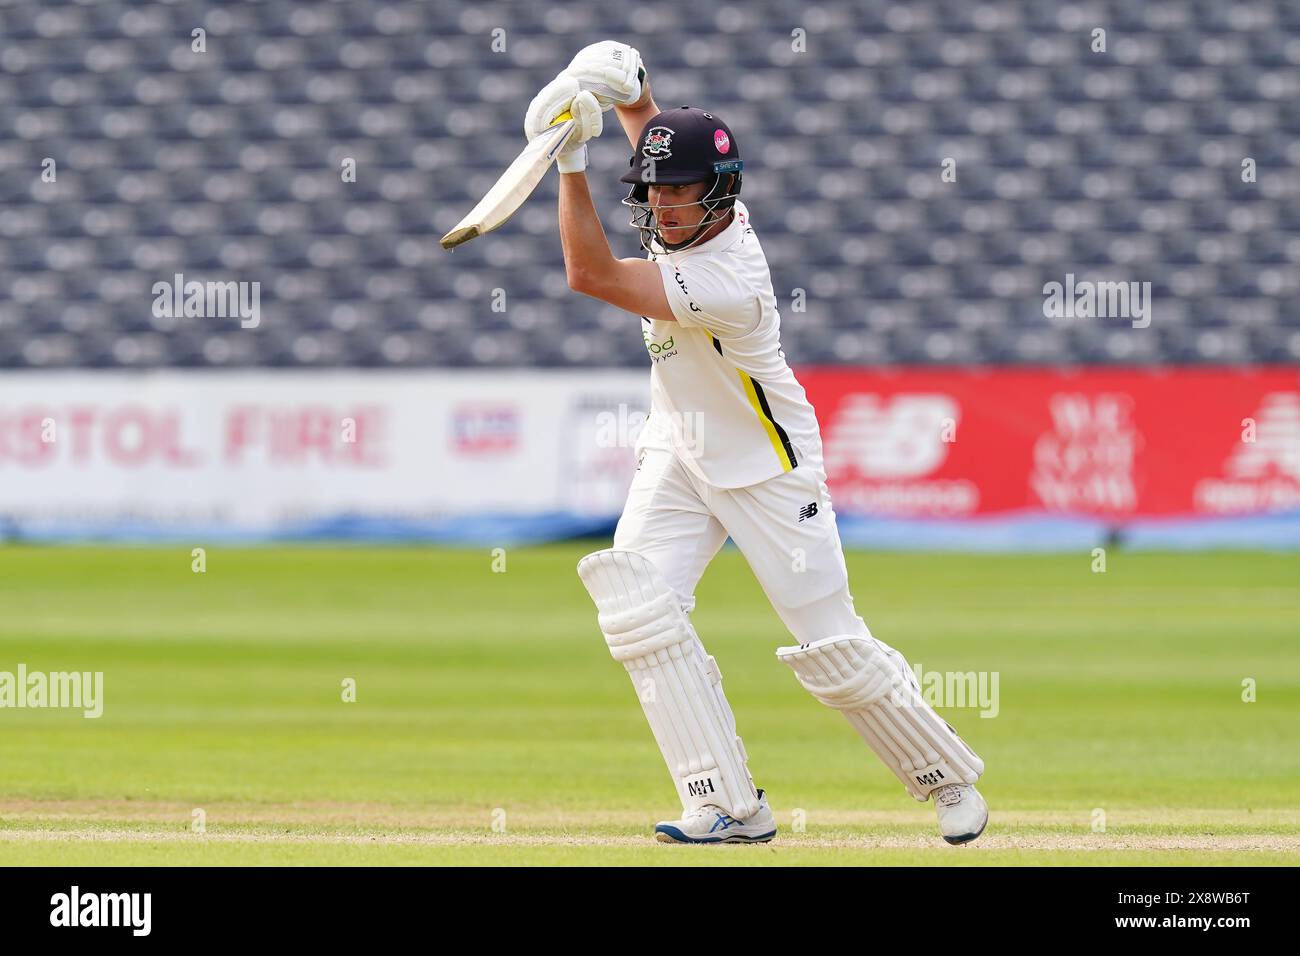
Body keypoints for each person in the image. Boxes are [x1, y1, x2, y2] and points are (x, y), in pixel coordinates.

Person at [524, 40, 988, 845]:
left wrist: (569, 162)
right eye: (652, 194)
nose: (662, 210)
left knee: (831, 646)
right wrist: (634, 95)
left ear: (723, 196)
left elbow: (591, 275)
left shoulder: (725, 280)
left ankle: (944, 778)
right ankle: (726, 805)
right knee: (637, 610)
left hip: (767, 466)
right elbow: (664, 149)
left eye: (680, 195)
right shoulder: (686, 208)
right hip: (679, 444)